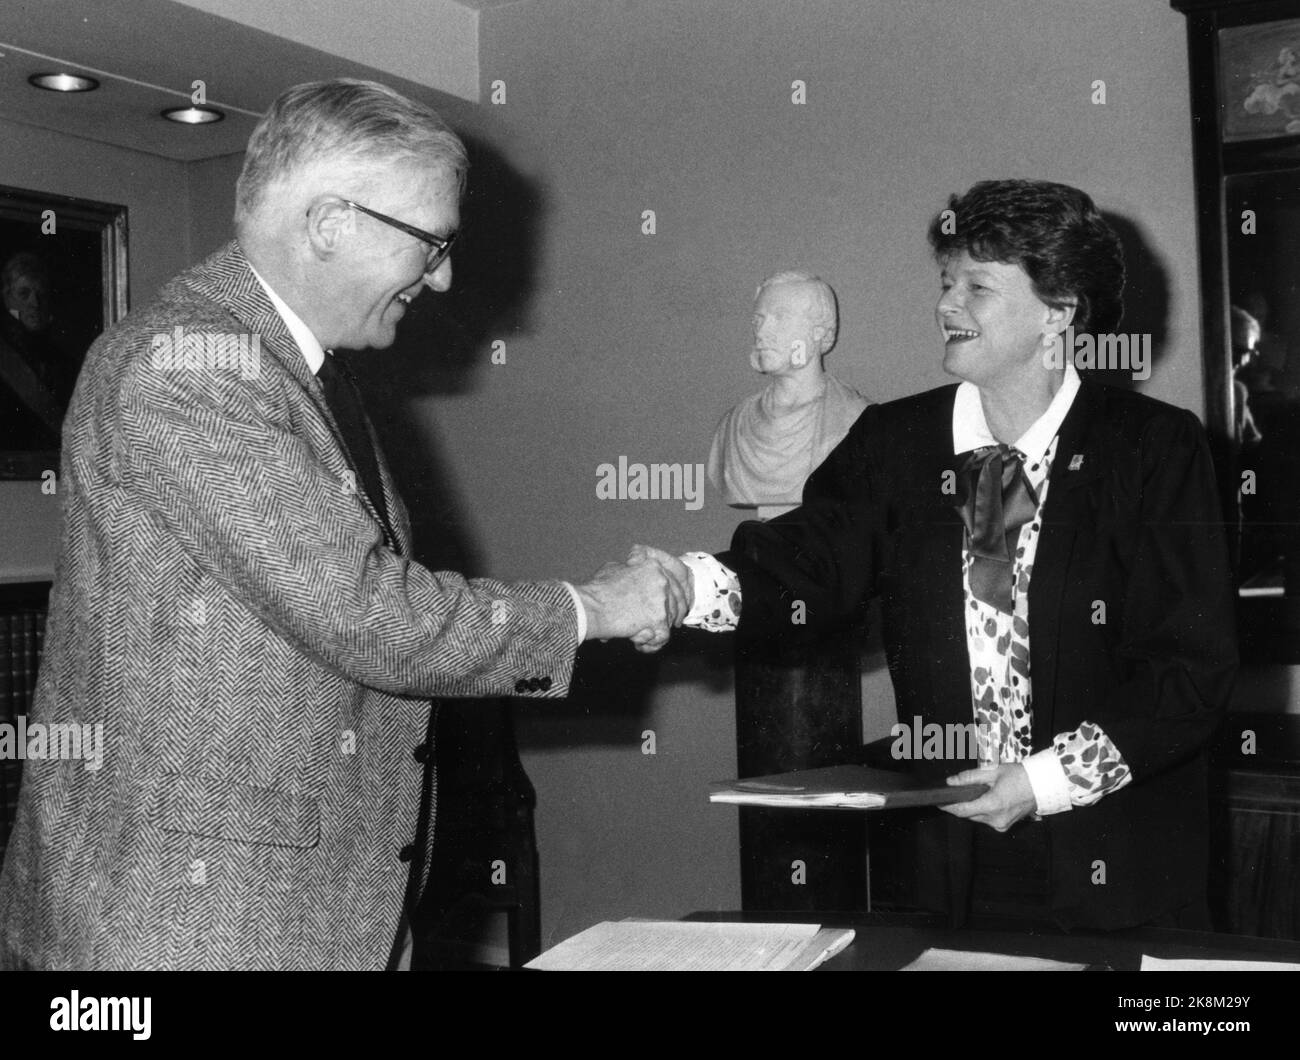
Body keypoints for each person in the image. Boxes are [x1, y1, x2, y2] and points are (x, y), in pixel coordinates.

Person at [0, 79, 687, 971]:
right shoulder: (184, 369)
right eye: (432, 242)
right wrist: (596, 606)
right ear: (330, 223)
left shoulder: (296, 372)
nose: (442, 276)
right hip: (188, 925)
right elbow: (365, 614)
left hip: (304, 910)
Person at [657, 179, 1238, 930]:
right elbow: (807, 561)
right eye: (944, 281)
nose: (945, 304)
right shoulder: (895, 444)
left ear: (1057, 315)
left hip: (1116, 861)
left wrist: (1041, 781)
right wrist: (680, 587)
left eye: (977, 286)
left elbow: (1189, 672)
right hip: (950, 862)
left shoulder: (1155, 449)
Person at [708, 271, 868, 514]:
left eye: (780, 317)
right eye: (757, 320)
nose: (761, 332)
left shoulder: (858, 421)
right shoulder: (734, 425)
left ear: (819, 331)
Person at [0, 252, 71, 449]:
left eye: (41, 294)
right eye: (24, 294)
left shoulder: (62, 361)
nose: (35, 303)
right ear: (7, 298)